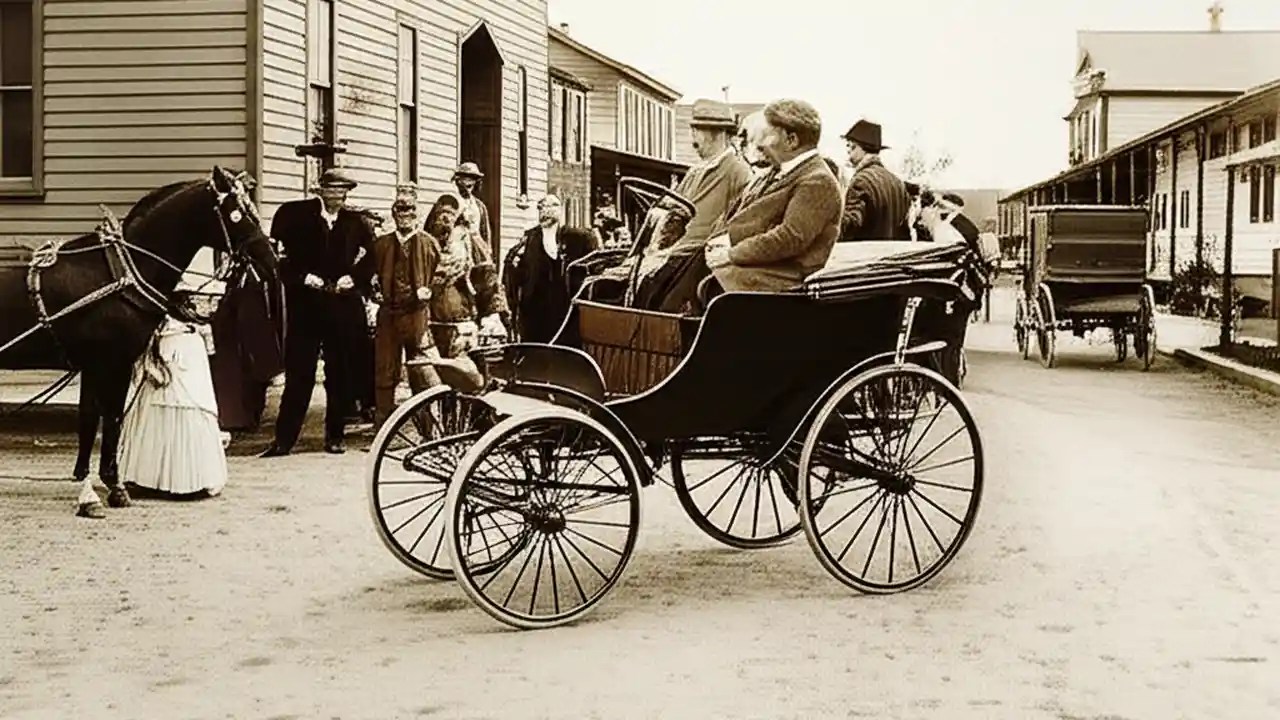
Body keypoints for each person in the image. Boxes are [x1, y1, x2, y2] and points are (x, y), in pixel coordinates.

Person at [260, 168, 375, 457]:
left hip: (341, 307)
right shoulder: (298, 218)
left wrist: (355, 278)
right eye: (332, 189)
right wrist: (303, 278)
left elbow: (373, 258)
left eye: (343, 191)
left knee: (339, 374)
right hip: (307, 308)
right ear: (320, 190)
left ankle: (335, 437)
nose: (338, 195)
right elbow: (280, 259)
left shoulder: (356, 223)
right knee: (300, 374)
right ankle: (284, 440)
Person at [702, 99, 843, 293]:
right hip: (769, 269)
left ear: (791, 140)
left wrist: (732, 254)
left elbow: (789, 238)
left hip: (786, 280)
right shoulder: (786, 171)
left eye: (767, 137)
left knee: (706, 285)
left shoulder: (818, 181)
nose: (760, 146)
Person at [119, 307, 227, 499]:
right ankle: (149, 477)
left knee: (186, 400)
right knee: (156, 402)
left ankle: (189, 478)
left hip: (185, 342)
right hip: (163, 337)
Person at [370, 183, 442, 427]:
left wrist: (430, 291)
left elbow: (441, 276)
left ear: (417, 215)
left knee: (420, 371)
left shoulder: (429, 244)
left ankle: (426, 429)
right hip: (388, 315)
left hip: (417, 316)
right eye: (400, 212)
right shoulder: (381, 245)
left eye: (410, 212)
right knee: (384, 371)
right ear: (394, 214)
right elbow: (368, 275)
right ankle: (384, 428)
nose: (405, 217)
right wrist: (374, 293)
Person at [423, 194, 508, 357]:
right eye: (442, 238)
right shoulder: (426, 252)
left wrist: (491, 316)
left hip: (464, 330)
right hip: (430, 329)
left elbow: (489, 286)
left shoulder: (474, 253)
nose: (447, 243)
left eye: (453, 235)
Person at [503, 194, 597, 343]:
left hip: (565, 305)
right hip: (536, 305)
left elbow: (591, 265)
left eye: (550, 206)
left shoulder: (576, 238)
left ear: (559, 210)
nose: (545, 211)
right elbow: (516, 268)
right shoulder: (530, 238)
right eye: (541, 207)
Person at [209, 261, 285, 435]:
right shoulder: (232, 271)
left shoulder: (256, 275)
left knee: (251, 366)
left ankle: (245, 416)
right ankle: (234, 417)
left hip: (250, 325)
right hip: (232, 330)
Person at [838, 119, 912, 242]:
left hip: (866, 258)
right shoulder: (897, 183)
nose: (848, 151)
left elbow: (851, 225)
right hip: (893, 257)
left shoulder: (860, 181)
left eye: (850, 145)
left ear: (859, 147)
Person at [439, 162, 496, 262]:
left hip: (477, 250)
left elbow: (485, 232)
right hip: (457, 249)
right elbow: (441, 230)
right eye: (465, 178)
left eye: (473, 178)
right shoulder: (451, 202)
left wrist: (487, 251)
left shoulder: (479, 206)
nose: (469, 182)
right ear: (458, 181)